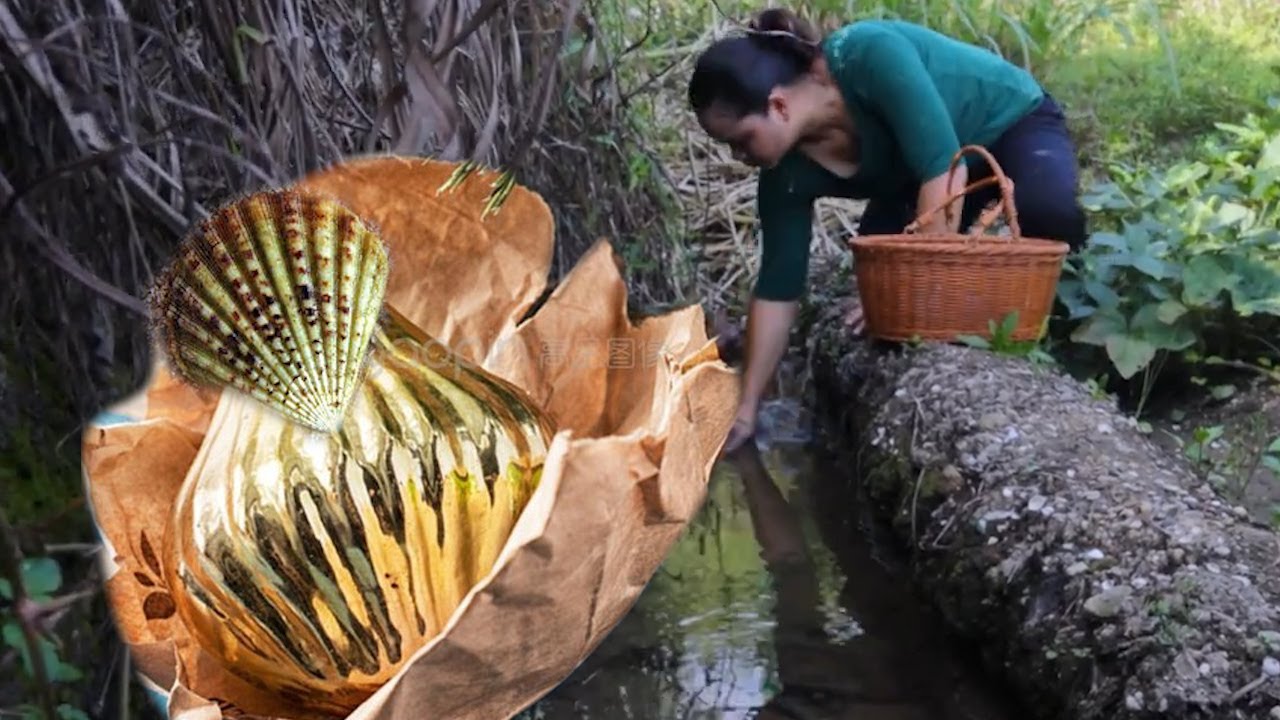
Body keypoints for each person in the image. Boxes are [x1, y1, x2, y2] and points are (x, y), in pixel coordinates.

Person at [689, 8, 1089, 452]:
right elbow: (777, 289)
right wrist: (746, 411)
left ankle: (1072, 327)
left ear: (778, 106)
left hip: (1007, 128)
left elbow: (942, 167)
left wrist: (921, 290)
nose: (739, 157)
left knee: (1048, 213)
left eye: (742, 141)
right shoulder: (784, 175)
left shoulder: (868, 54)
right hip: (912, 181)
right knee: (878, 295)